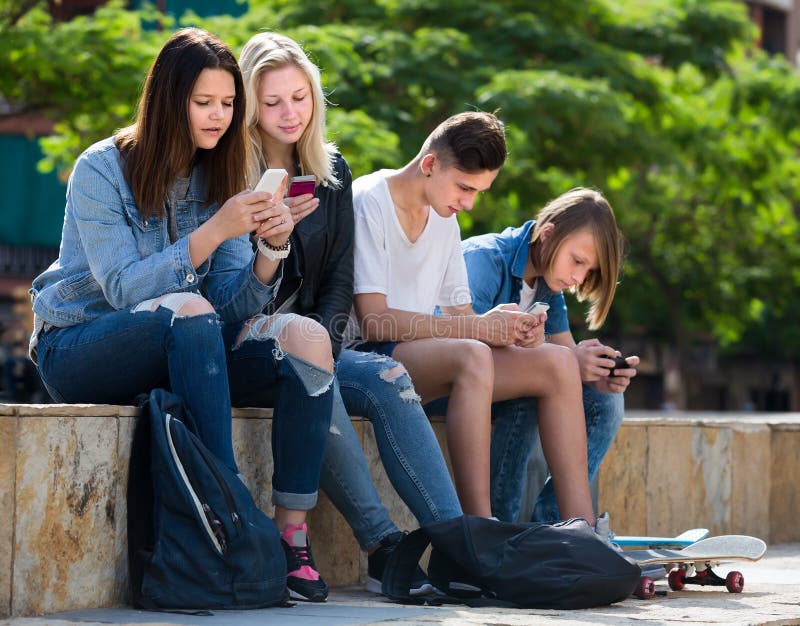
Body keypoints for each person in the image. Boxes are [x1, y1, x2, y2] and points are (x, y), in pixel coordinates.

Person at [27, 28, 334, 603]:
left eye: (227, 104)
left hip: (188, 345)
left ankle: (291, 538)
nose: (218, 117)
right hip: (81, 346)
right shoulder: (101, 168)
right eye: (203, 103)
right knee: (187, 311)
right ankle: (229, 517)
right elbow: (122, 289)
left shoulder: (223, 171)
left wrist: (271, 247)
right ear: (169, 101)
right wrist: (215, 230)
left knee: (308, 339)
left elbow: (229, 309)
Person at [238, 32, 463, 595]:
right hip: (246, 339)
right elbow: (226, 284)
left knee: (389, 374)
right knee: (311, 359)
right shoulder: (229, 168)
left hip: (324, 341)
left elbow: (338, 277)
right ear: (250, 105)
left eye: (300, 97)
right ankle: (382, 545)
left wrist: (329, 349)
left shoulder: (330, 167)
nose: (290, 113)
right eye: (272, 102)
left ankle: (461, 546)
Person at [347, 111, 598, 526]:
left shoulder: (443, 217)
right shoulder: (369, 200)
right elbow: (374, 320)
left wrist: (509, 331)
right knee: (472, 356)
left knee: (557, 362)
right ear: (430, 165)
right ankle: (481, 531)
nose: (468, 203)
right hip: (366, 359)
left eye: (479, 191)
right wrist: (478, 329)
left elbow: (461, 314)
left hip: (423, 359)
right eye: (465, 187)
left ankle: (582, 532)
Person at [461, 187, 638, 524]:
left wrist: (598, 373)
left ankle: (556, 523)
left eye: (588, 272)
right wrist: (566, 360)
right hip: (447, 384)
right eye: (577, 261)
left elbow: (564, 358)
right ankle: (501, 528)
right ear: (548, 234)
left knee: (605, 401)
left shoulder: (547, 286)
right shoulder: (485, 259)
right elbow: (458, 345)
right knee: (533, 387)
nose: (577, 278)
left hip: (499, 385)